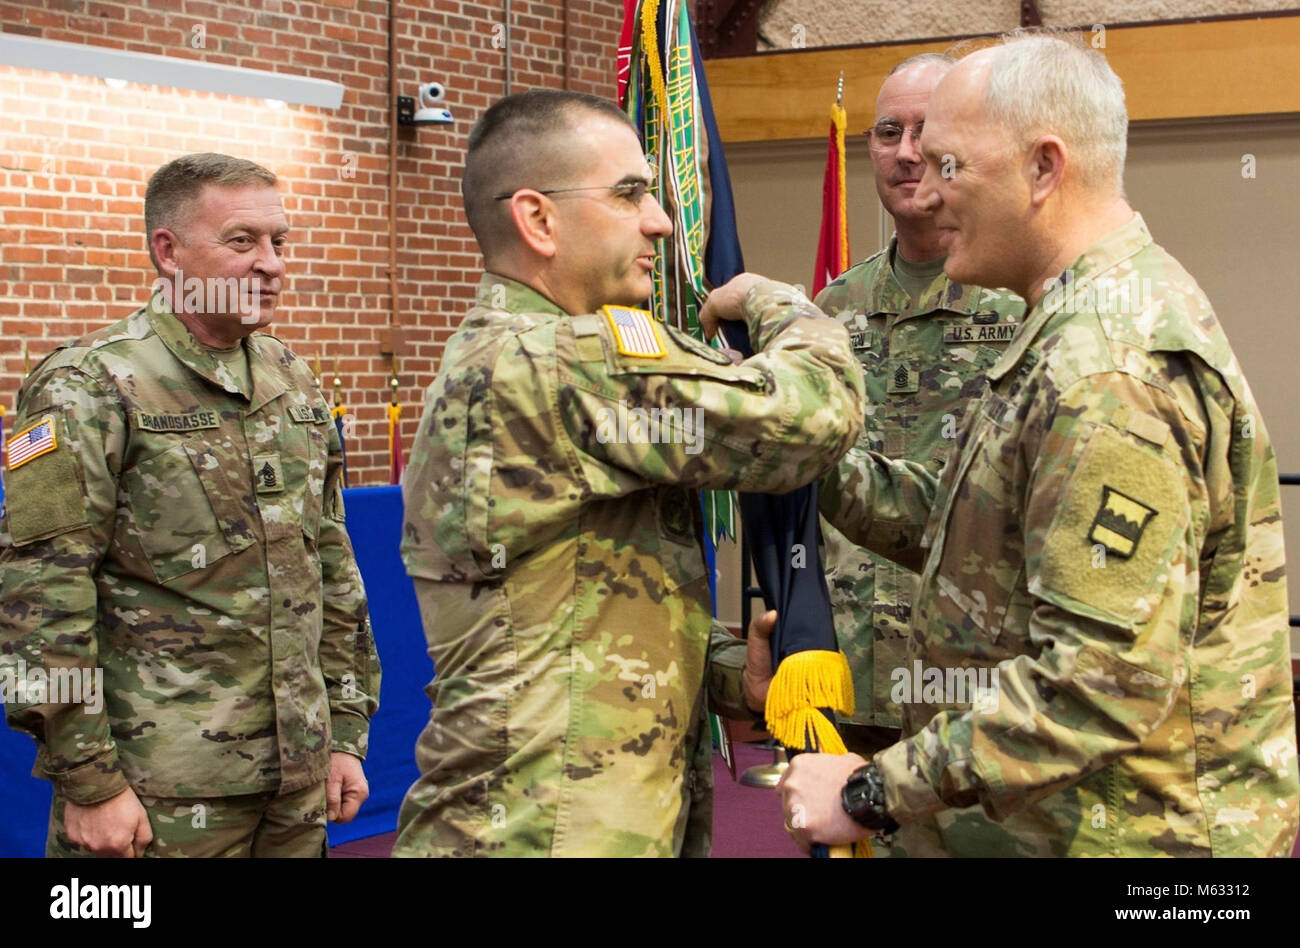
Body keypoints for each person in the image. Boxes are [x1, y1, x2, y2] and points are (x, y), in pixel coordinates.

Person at [778, 31, 1298, 856]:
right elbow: (979, 540)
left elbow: (1101, 685)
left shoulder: (1107, 369)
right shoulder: (1069, 326)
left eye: (950, 164)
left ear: (1043, 168)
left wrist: (873, 789)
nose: (927, 190)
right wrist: (807, 453)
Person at [394, 89, 865, 857]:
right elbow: (818, 416)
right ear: (538, 220)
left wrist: (727, 677)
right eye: (629, 194)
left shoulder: (520, 351)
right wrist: (775, 303)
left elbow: (580, 601)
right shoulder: (565, 361)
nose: (660, 220)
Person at [0, 153, 380, 858]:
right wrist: (88, 783)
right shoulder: (87, 385)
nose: (271, 264)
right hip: (158, 793)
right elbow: (39, 600)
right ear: (168, 252)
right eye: (242, 241)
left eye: (279, 242)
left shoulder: (293, 381)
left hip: (295, 784)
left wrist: (345, 730)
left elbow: (330, 565)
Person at [815, 53, 1023, 762]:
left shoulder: (1025, 303)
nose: (906, 154)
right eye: (885, 132)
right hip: (851, 666)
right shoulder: (832, 309)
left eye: (924, 131)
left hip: (976, 675)